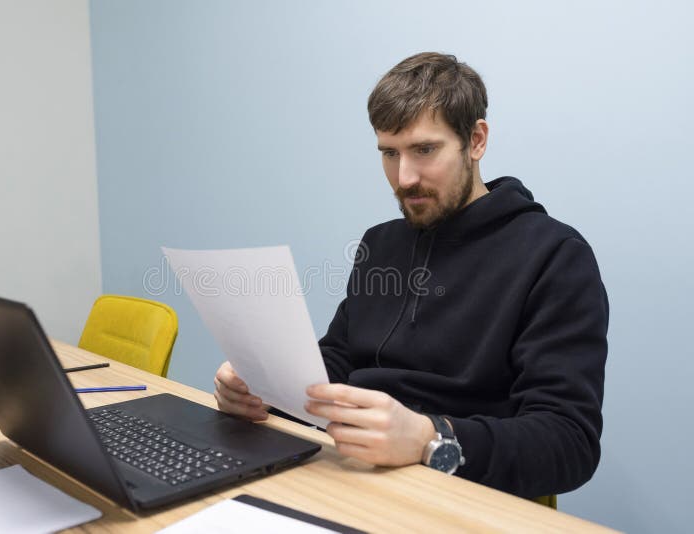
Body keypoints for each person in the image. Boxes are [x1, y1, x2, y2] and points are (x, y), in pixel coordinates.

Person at [213, 52, 608, 499]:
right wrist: (264, 389)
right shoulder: (381, 244)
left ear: (475, 140)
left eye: (424, 150)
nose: (404, 178)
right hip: (347, 472)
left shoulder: (554, 255)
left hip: (460, 494)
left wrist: (427, 437)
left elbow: (569, 442)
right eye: (389, 153)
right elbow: (340, 358)